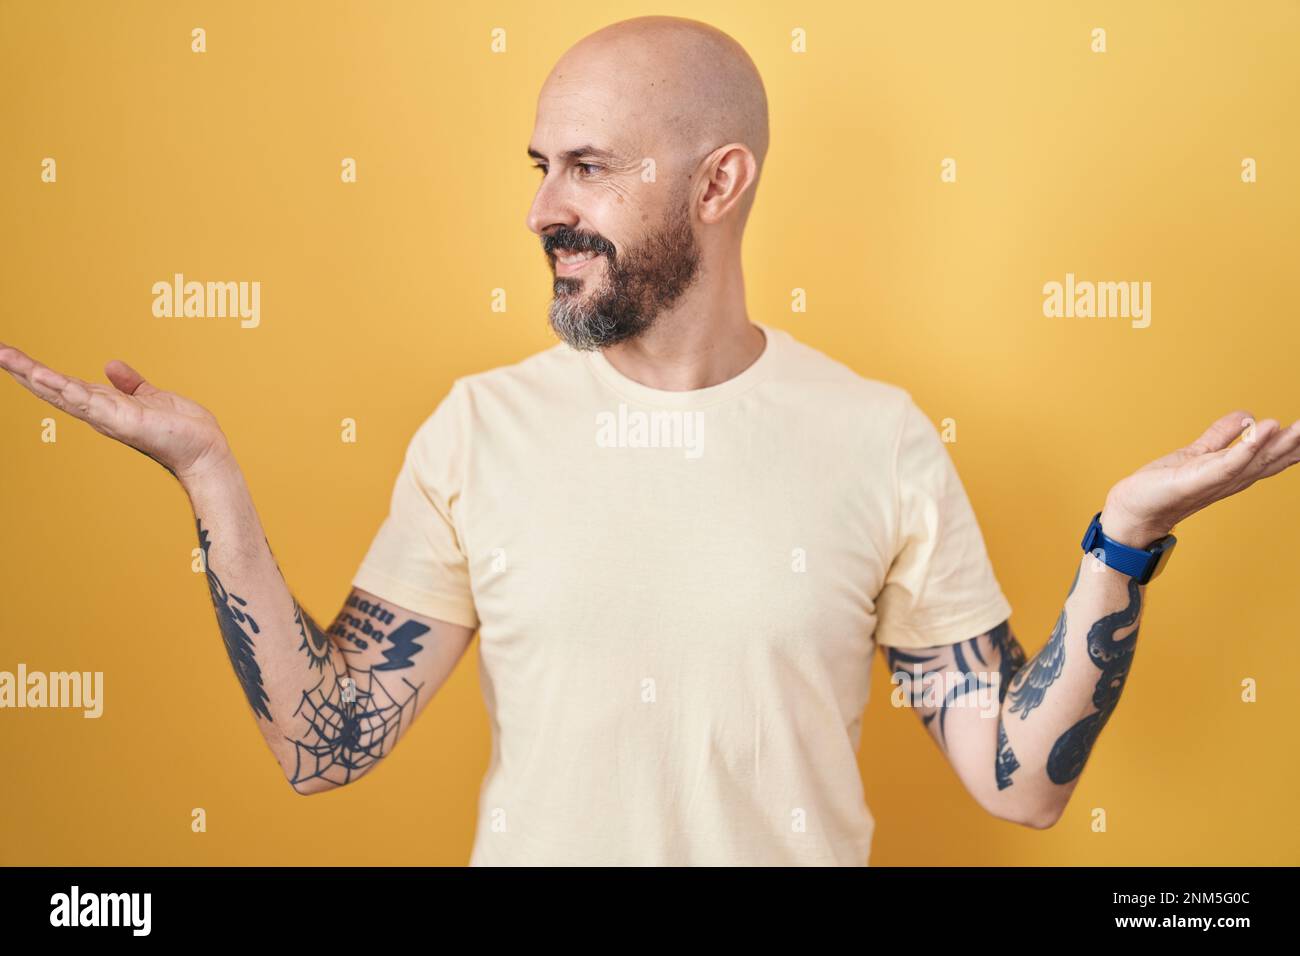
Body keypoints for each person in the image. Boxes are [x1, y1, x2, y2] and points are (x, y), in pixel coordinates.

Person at [2, 15, 1297, 866]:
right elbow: (321, 747)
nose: (540, 209)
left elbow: (1018, 782)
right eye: (540, 166)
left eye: (588, 168)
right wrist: (210, 476)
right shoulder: (479, 431)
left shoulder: (879, 441)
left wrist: (1122, 540)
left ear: (719, 183)